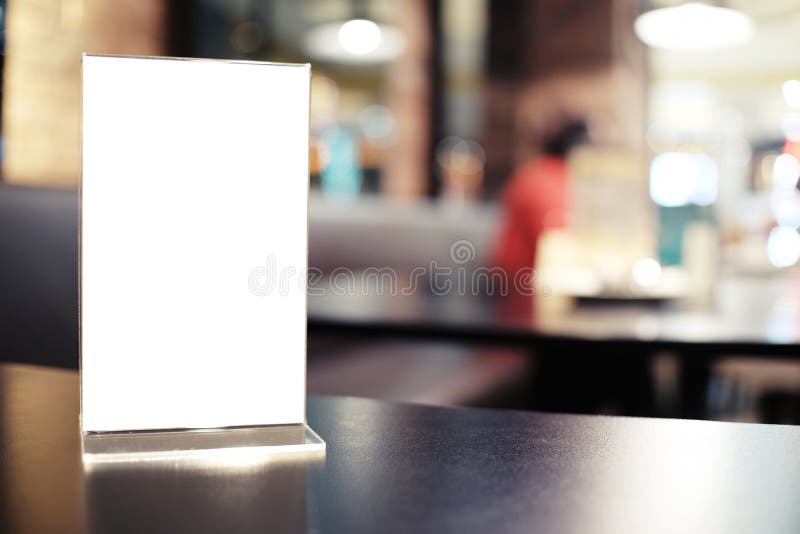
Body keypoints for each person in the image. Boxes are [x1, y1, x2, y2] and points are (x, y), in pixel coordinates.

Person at [491, 119, 589, 284]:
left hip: (510, 278)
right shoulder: (548, 180)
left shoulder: (531, 173)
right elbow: (556, 241)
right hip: (522, 286)